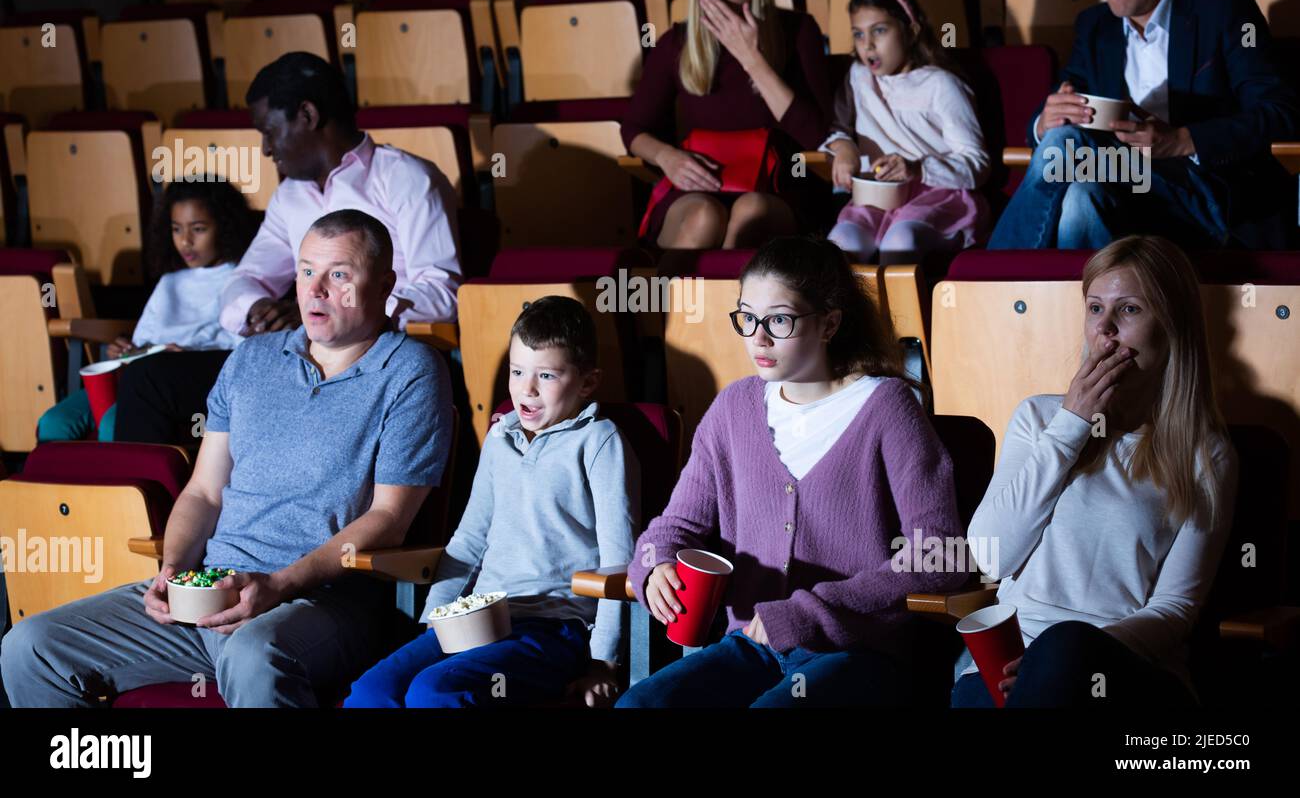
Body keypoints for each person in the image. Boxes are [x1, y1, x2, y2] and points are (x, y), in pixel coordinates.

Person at [1, 210, 454, 707]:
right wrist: (173, 570)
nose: (315, 290)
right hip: (214, 586)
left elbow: (389, 519)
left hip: (324, 600)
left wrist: (279, 584)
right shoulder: (252, 359)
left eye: (338, 275)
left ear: (386, 283)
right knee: (31, 646)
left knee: (252, 653)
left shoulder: (411, 371)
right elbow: (203, 491)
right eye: (305, 271)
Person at [616, 237, 967, 708]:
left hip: (859, 653)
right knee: (639, 705)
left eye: (779, 320)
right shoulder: (733, 408)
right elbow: (676, 525)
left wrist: (809, 613)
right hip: (752, 648)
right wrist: (655, 561)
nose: (758, 338)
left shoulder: (887, 407)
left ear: (829, 323)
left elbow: (940, 555)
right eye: (747, 317)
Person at [113, 51, 462, 444]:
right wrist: (256, 309)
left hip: (371, 358)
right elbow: (244, 278)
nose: (265, 149)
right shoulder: (289, 197)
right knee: (149, 379)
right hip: (291, 358)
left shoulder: (406, 178)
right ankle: (147, 506)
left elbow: (441, 293)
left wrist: (328, 309)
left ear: (307, 116)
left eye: (269, 131)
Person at [952, 235, 1236, 708]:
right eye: (1095, 308)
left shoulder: (1205, 455)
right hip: (1004, 661)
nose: (1105, 331)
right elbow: (990, 557)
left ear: (1171, 325)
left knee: (1065, 647)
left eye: (1128, 311)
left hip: (1120, 668)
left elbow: (1175, 609)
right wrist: (1072, 424)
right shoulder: (1039, 418)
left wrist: (1062, 662)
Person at [345, 296, 639, 707]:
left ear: (588, 382)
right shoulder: (501, 439)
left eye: (547, 376)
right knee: (371, 691)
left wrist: (603, 662)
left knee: (434, 691)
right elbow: (469, 540)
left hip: (554, 628)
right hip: (477, 618)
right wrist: (434, 621)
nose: (526, 389)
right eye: (517, 372)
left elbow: (619, 561)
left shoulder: (599, 441)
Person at [987, 0, 1299, 250]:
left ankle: (993, 282)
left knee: (1064, 146)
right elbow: (1063, 101)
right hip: (1125, 187)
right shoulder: (1095, 27)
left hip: (1213, 192)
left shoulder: (1225, 11)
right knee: (1079, 194)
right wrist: (1044, 122)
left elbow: (1281, 112)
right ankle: (1077, 302)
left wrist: (1182, 139)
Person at [620, 0, 832, 250]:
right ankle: (665, 303)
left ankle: (731, 302)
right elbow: (633, 130)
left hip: (779, 188)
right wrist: (667, 157)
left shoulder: (798, 30)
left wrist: (751, 57)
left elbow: (819, 137)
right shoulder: (675, 42)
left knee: (751, 211)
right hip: (698, 187)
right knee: (704, 216)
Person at [36, 178, 254, 442]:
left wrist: (187, 356)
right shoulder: (170, 281)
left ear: (225, 227)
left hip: (179, 380)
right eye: (176, 229)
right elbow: (143, 340)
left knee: (110, 425)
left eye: (198, 229)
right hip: (135, 372)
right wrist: (126, 349)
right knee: (54, 423)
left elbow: (241, 352)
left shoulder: (243, 279)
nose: (185, 241)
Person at [822, 0, 990, 264]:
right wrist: (842, 147)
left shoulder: (941, 85)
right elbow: (839, 129)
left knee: (900, 241)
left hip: (938, 195)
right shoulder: (859, 77)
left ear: (910, 31)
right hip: (876, 197)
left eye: (879, 31)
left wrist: (917, 168)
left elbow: (978, 165)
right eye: (858, 34)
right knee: (840, 243)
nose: (868, 45)